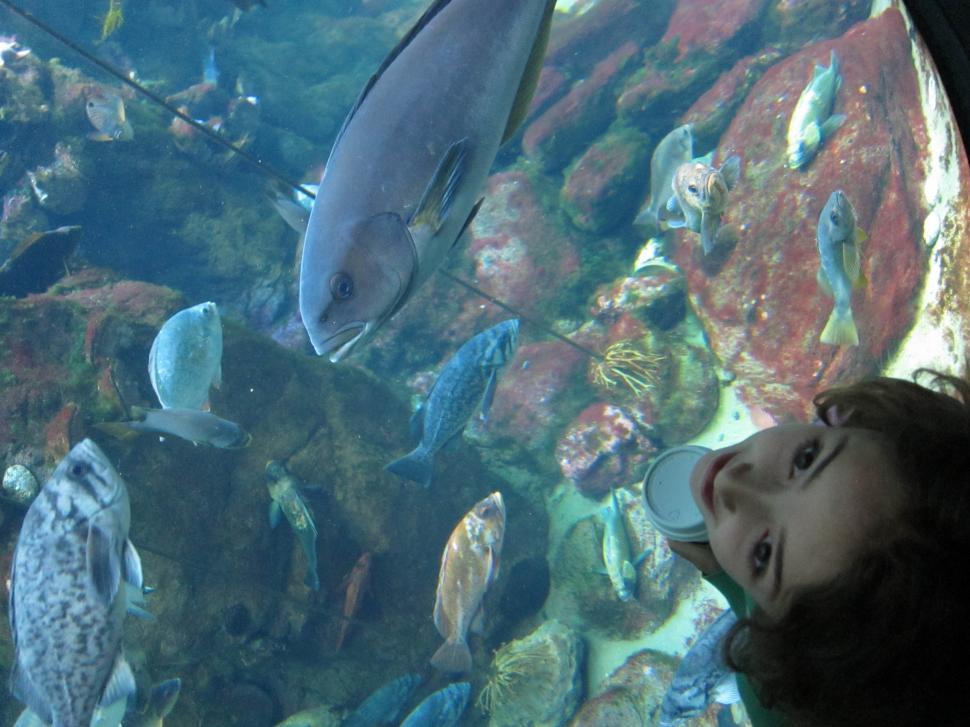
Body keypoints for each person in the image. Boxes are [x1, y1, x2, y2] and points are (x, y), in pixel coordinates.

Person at [668, 370, 970, 726]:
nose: (732, 481)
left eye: (763, 555)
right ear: (856, 422)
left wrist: (726, 581)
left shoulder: (768, 705)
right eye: (806, 458)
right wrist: (731, 573)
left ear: (780, 650)